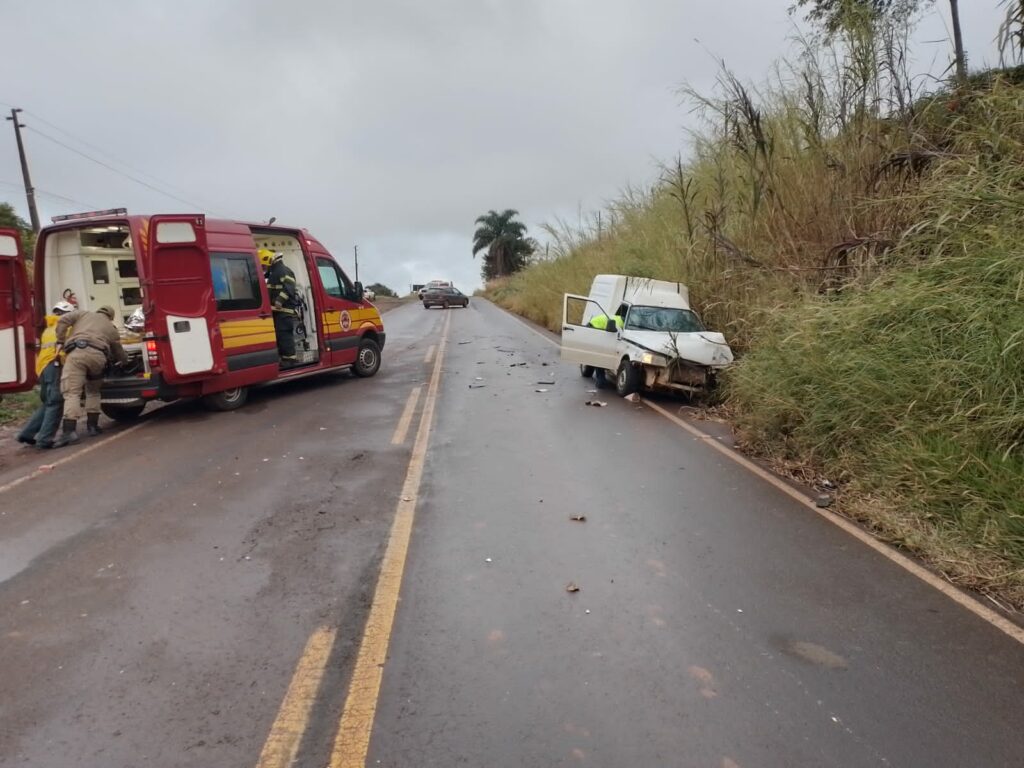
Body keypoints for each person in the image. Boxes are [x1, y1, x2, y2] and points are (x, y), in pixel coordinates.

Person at [52, 305, 127, 448]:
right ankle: (92, 426)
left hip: (77, 354)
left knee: (72, 392)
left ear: (98, 310)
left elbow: (63, 320)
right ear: (110, 317)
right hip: (98, 358)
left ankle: (69, 432)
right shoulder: (111, 328)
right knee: (93, 391)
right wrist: (124, 362)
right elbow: (118, 351)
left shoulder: (82, 314)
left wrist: (61, 340)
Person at [15, 301, 74, 450]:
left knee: (48, 402)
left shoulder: (48, 329)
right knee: (55, 402)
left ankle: (27, 434)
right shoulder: (66, 327)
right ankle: (45, 439)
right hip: (55, 366)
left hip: (42, 367)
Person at [260, 249, 299, 362]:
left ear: (269, 260)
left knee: (284, 335)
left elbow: (289, 287)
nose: (263, 268)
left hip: (284, 311)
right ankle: (284, 358)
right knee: (279, 335)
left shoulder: (283, 270)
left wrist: (279, 301)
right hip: (278, 312)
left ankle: (290, 360)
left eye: (264, 265)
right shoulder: (274, 272)